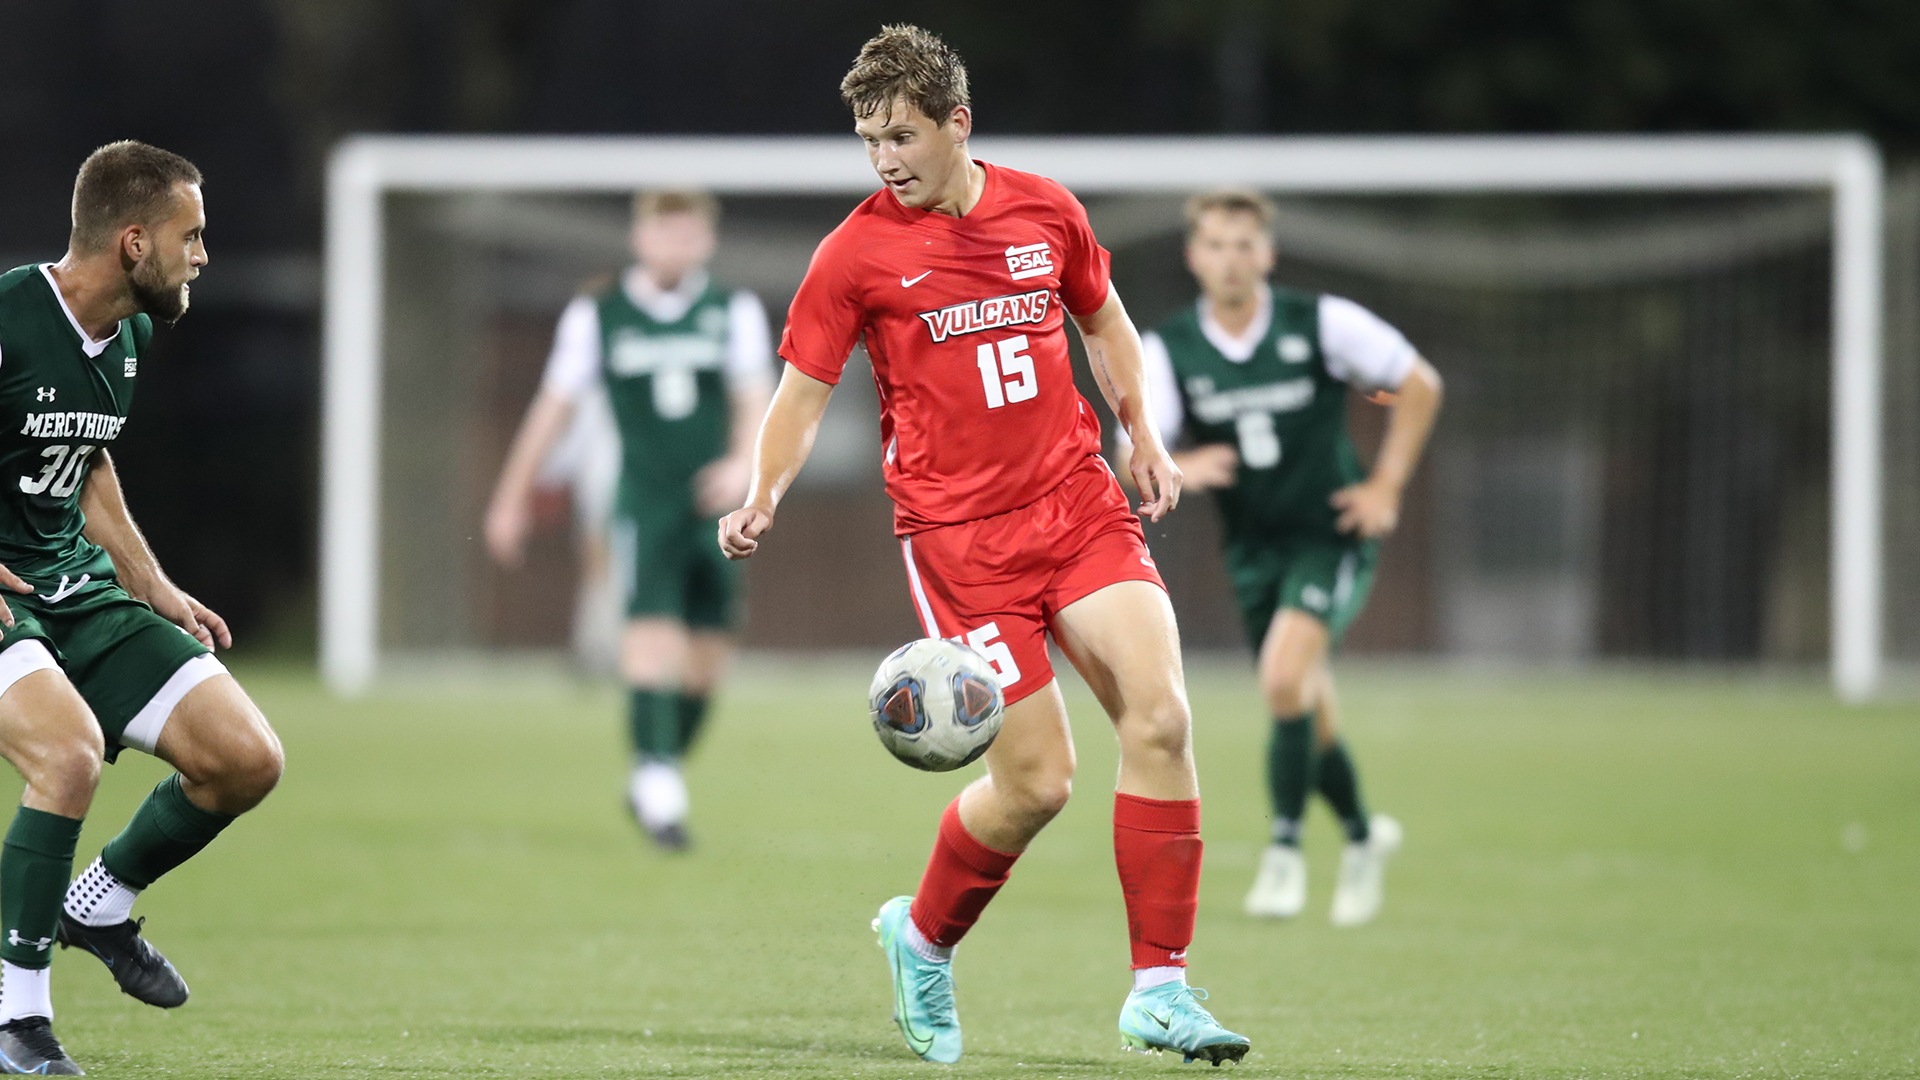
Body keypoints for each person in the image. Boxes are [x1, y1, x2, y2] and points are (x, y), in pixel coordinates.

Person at [719, 24, 1250, 1067]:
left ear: (958, 124)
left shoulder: (1046, 209)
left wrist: (1141, 433)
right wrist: (762, 495)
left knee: (1162, 716)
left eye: (903, 134)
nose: (885, 158)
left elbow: (1104, 323)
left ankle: (1161, 988)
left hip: (1077, 501)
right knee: (1039, 783)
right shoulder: (855, 253)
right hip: (961, 544)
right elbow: (801, 396)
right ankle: (920, 937)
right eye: (869, 139)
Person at [0, 140, 286, 1074]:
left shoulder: (129, 334)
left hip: (78, 588)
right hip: (7, 600)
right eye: (189, 234)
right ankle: (16, 1017)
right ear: (132, 242)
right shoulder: (9, 315)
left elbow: (87, 461)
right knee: (68, 755)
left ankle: (103, 903)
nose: (203, 254)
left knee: (245, 760)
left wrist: (150, 583)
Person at [1130, 190, 1442, 926]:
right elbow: (1134, 447)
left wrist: (1385, 486)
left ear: (1266, 254)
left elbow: (1418, 384)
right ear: (1193, 256)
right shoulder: (1170, 346)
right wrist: (1175, 464)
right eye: (1216, 245)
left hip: (1329, 535)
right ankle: (1364, 837)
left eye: (1244, 245)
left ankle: (1285, 851)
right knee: (1304, 702)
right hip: (1253, 550)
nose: (1230, 259)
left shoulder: (1321, 322)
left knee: (1280, 680)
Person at [487, 191, 773, 851]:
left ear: (706, 240)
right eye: (661, 231)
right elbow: (551, 409)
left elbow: (757, 398)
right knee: (648, 638)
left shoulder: (733, 311)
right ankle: (658, 779)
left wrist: (741, 464)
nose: (673, 244)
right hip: (645, 501)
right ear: (639, 238)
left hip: (719, 507)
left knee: (706, 662)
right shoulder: (600, 315)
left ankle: (656, 766)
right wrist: (511, 498)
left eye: (686, 232)